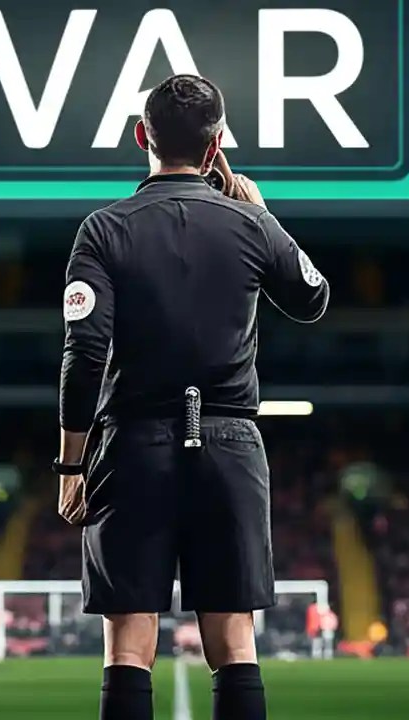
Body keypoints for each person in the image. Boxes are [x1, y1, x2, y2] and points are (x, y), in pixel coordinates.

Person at [52, 74, 329, 720]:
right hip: (231, 448)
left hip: (133, 448)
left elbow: (85, 355)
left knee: (127, 643)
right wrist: (261, 215)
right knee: (233, 640)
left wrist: (70, 464)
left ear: (140, 136)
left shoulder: (103, 229)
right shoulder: (250, 225)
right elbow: (312, 297)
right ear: (216, 148)